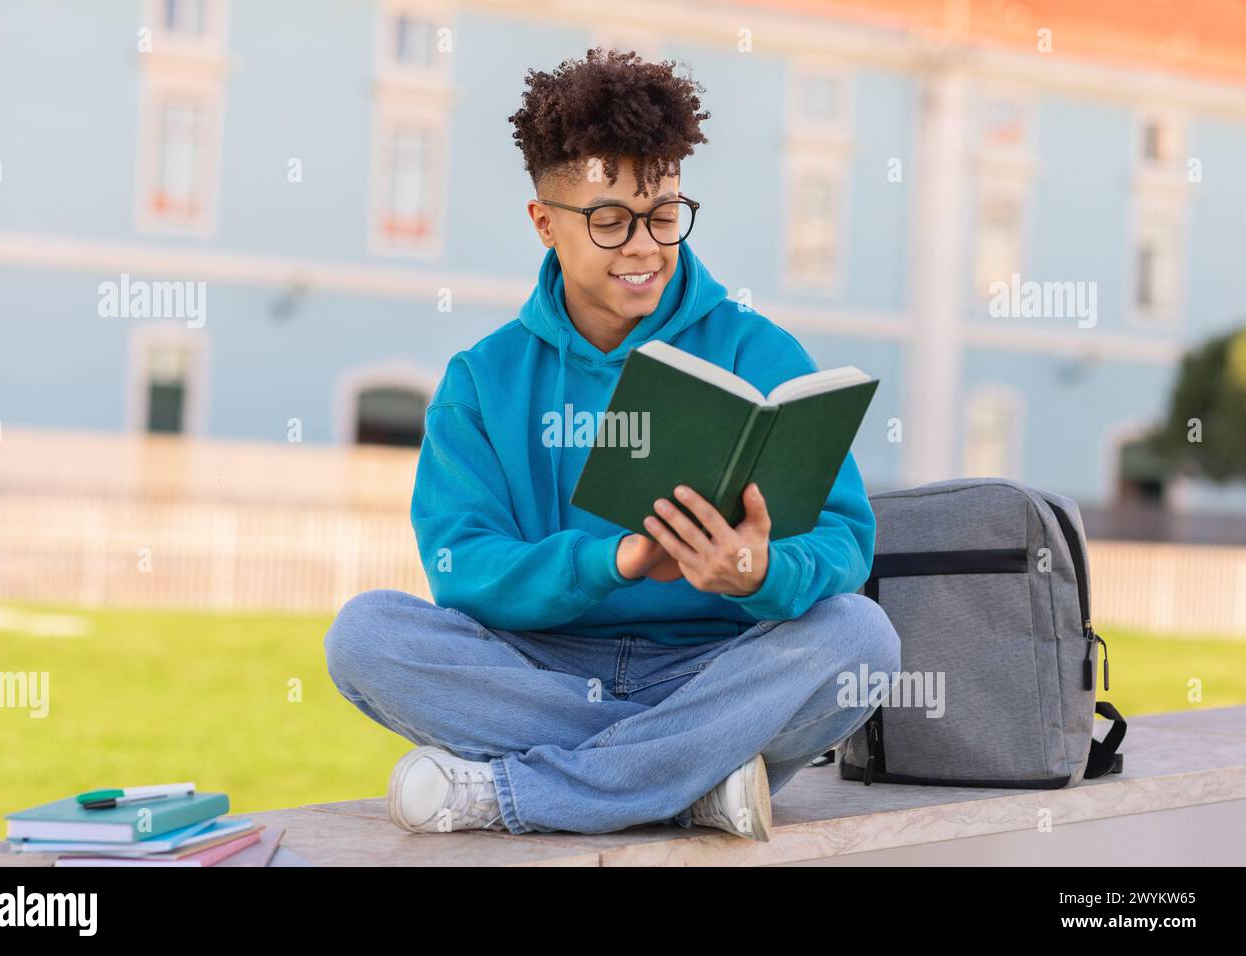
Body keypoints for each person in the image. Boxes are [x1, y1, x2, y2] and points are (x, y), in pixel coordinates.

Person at [324, 48, 900, 841]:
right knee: (364, 636)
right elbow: (461, 565)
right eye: (609, 221)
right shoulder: (482, 380)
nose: (644, 247)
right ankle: (690, 779)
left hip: (719, 672)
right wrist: (612, 563)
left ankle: (517, 794)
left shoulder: (761, 353)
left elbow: (845, 539)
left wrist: (758, 571)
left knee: (861, 639)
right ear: (544, 224)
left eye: (663, 214)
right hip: (543, 670)